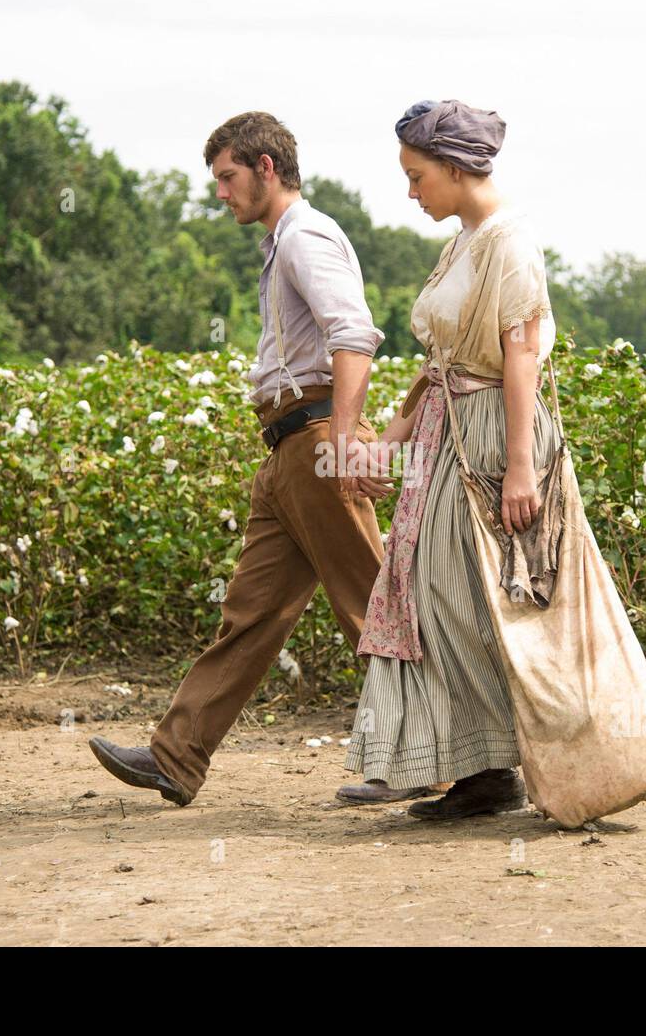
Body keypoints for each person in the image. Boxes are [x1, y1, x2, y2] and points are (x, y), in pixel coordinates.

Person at [88, 111, 441, 807]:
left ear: (266, 167)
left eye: (227, 176)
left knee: (374, 606)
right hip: (286, 450)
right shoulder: (283, 244)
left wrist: (341, 443)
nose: (220, 192)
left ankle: (438, 761)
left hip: (315, 442)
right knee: (249, 613)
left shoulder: (307, 235)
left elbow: (354, 337)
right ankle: (176, 756)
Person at [339, 99, 562, 819]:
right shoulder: (463, 242)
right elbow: (439, 362)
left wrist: (521, 467)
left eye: (417, 176)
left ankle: (489, 765)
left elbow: (520, 353)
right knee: (420, 590)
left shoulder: (508, 243)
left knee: (458, 599)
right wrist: (395, 436)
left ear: (458, 169)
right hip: (447, 432)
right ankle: (463, 767)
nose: (410, 192)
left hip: (494, 435)